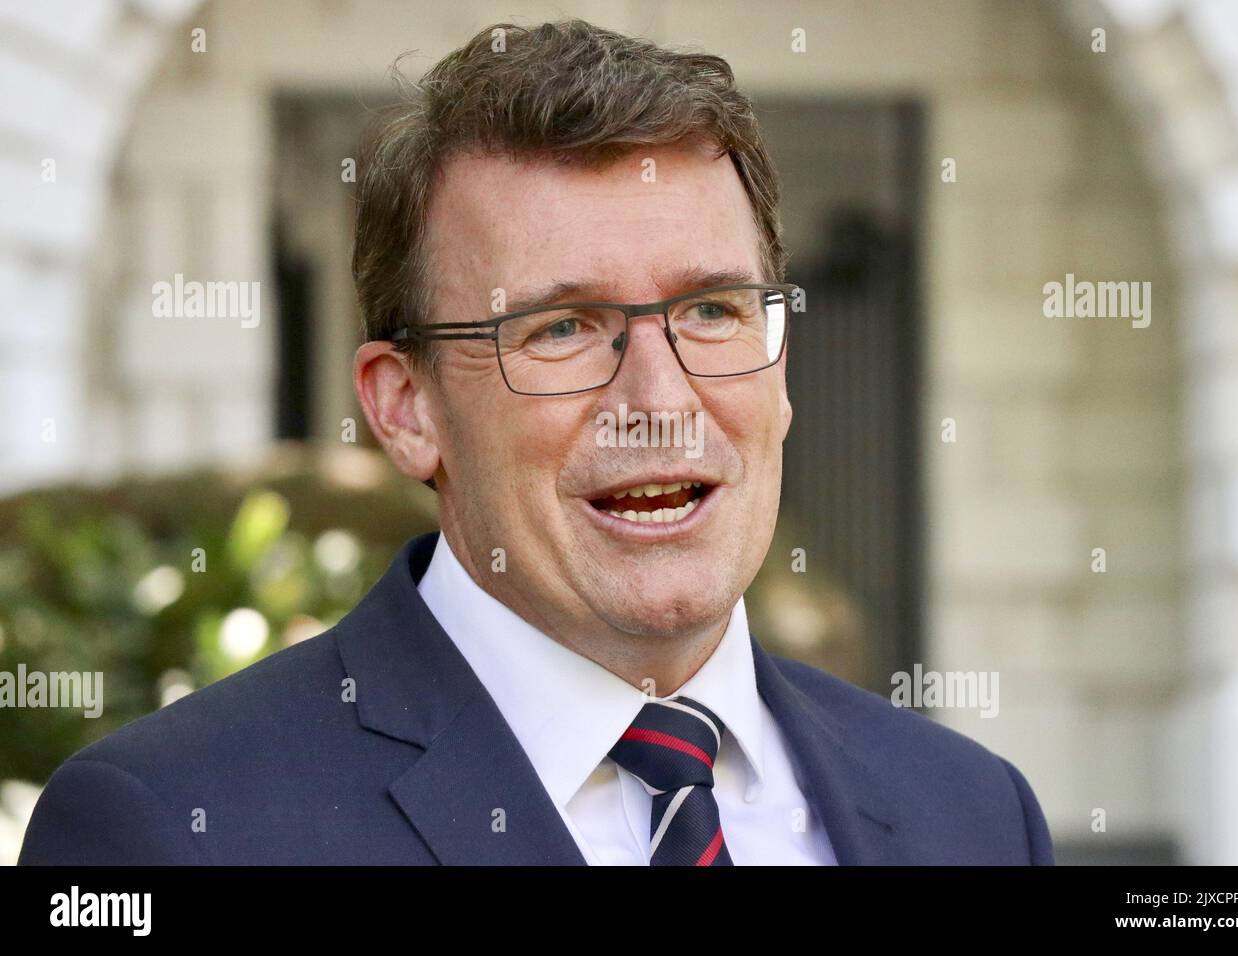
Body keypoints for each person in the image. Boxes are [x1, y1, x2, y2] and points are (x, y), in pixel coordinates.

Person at [19, 19, 1052, 866]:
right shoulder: (169, 829)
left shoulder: (971, 817)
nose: (659, 398)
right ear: (404, 406)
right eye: (561, 327)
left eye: (710, 310)